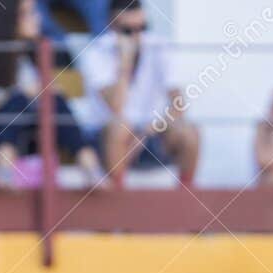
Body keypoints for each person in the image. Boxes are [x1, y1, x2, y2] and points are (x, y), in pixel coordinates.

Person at [0, 0, 103, 187]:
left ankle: (89, 164)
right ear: (9, 18)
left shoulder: (39, 51)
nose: (37, 19)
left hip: (28, 139)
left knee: (53, 99)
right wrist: (11, 96)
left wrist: (44, 92)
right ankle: (3, 168)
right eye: (28, 13)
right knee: (19, 99)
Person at [80, 0, 198, 184]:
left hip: (152, 133)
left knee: (190, 132)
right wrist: (124, 65)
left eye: (143, 28)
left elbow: (179, 104)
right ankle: (117, 200)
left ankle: (186, 199)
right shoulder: (96, 53)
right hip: (108, 139)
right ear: (112, 27)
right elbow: (116, 107)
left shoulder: (159, 47)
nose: (137, 36)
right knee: (119, 128)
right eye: (128, 30)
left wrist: (148, 131)